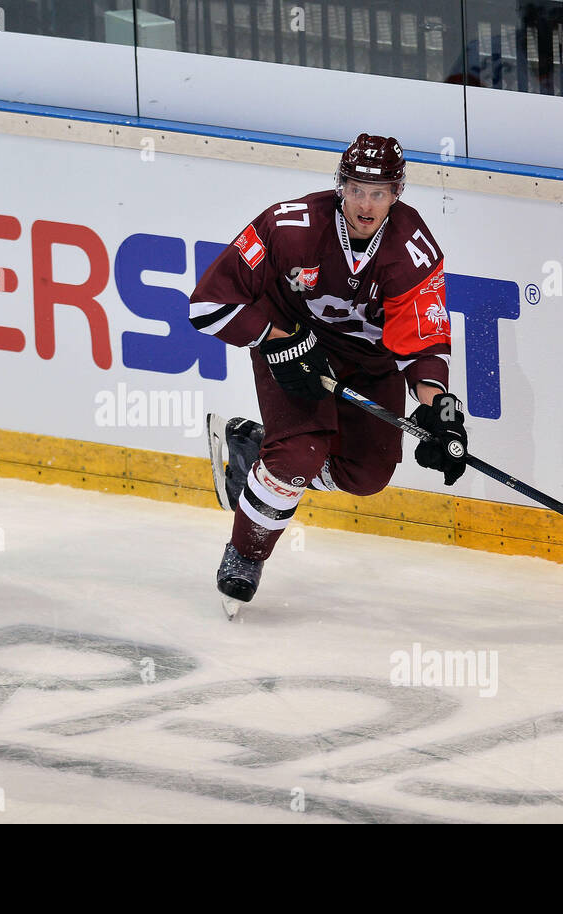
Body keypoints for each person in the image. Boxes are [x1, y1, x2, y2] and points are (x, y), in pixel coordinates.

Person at [191, 133, 468, 617]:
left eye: (378, 192)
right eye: (357, 189)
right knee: (299, 453)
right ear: (340, 185)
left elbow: (421, 343)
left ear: (397, 193)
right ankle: (246, 553)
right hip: (292, 346)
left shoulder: (412, 250)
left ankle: (255, 456)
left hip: (368, 362)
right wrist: (279, 339)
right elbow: (209, 304)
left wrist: (438, 409)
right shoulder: (288, 226)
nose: (366, 203)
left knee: (367, 474)